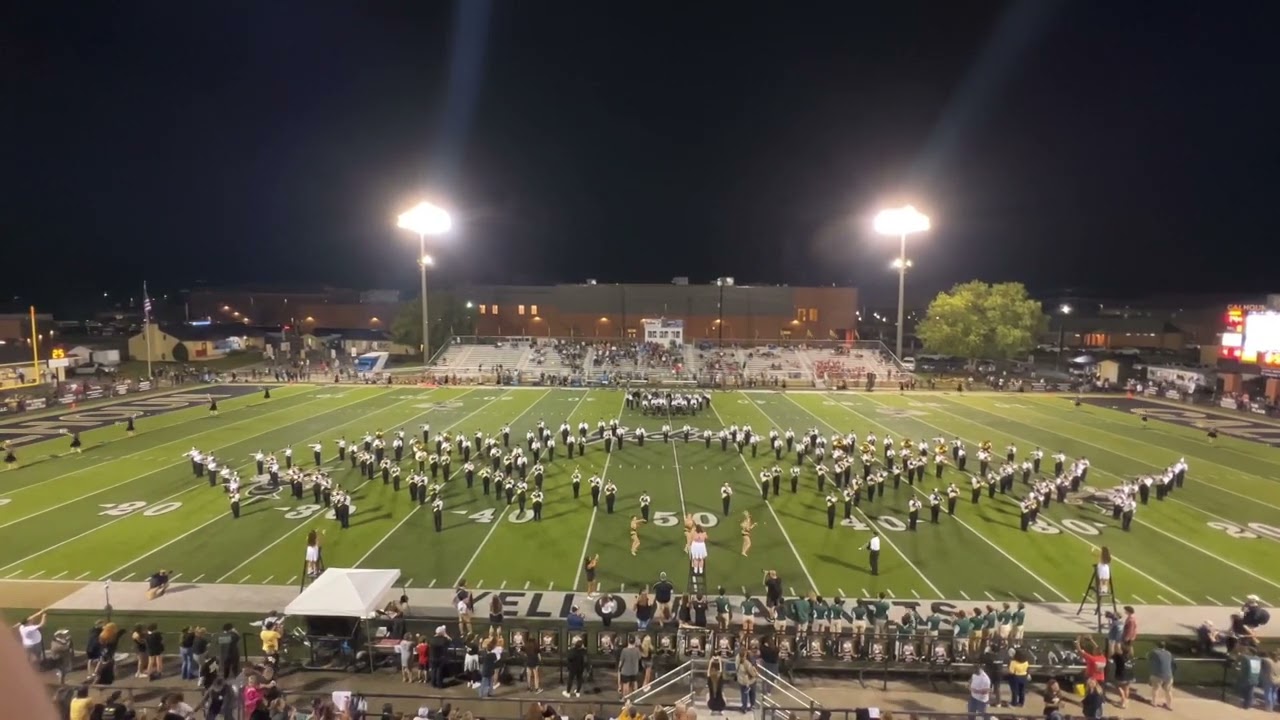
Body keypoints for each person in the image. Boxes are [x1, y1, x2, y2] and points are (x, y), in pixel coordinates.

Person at [1147, 640, 1175, 710]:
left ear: (1157, 646)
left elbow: (1148, 657)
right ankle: (1169, 705)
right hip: (1169, 675)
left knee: (1155, 689)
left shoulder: (1154, 652)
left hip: (1157, 674)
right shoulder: (1169, 653)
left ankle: (1154, 703)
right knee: (1168, 691)